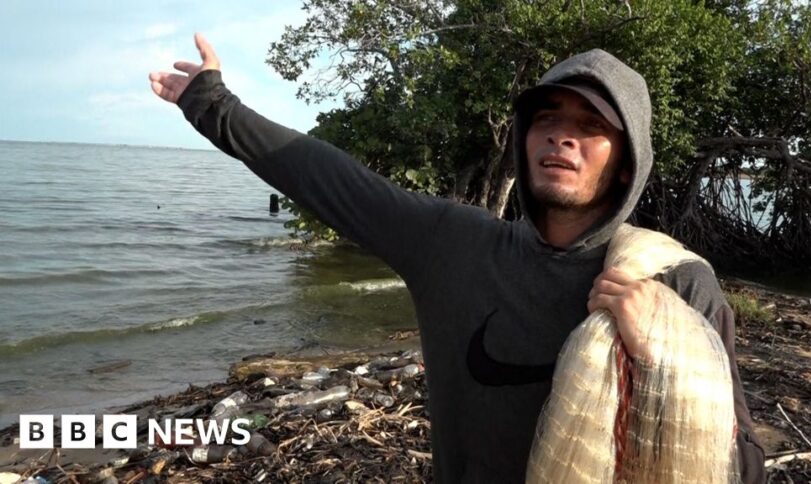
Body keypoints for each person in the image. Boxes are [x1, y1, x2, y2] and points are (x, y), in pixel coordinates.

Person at [150, 33, 766, 483]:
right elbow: (330, 179)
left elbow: (743, 468)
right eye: (547, 118)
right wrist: (213, 105)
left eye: (592, 125)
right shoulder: (455, 245)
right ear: (525, 137)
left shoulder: (676, 283)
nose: (562, 136)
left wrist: (661, 356)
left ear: (628, 159)